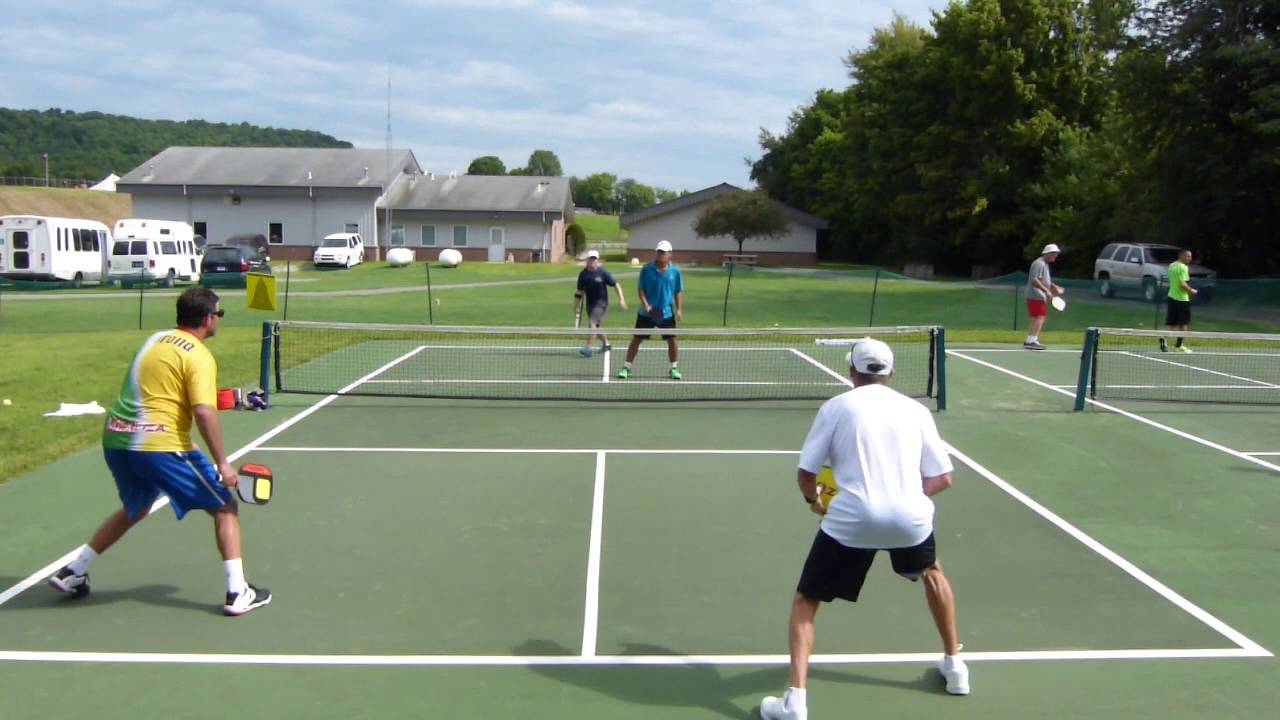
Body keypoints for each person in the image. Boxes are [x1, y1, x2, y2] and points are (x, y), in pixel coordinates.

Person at [760, 338, 966, 720]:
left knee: (807, 602)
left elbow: (807, 474)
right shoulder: (915, 410)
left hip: (851, 520)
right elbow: (944, 479)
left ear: (852, 371)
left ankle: (795, 703)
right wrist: (903, 497)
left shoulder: (836, 407)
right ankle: (956, 668)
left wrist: (815, 502)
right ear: (889, 373)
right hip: (910, 518)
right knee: (932, 572)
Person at [47, 287, 271, 617]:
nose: (219, 321)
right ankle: (238, 592)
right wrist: (223, 463)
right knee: (225, 507)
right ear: (208, 318)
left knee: (136, 507)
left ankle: (73, 571)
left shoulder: (155, 341)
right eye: (219, 315)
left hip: (117, 439)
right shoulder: (198, 355)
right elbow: (204, 411)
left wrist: (184, 441)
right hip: (158, 444)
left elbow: (157, 397)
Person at [617, 239, 684, 380]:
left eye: (664, 252)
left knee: (672, 340)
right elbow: (641, 289)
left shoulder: (675, 272)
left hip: (666, 313)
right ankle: (626, 367)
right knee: (636, 339)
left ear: (670, 254)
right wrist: (646, 305)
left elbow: (678, 291)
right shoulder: (647, 269)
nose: (661, 254)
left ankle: (674, 368)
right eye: (659, 252)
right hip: (646, 312)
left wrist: (679, 309)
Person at [574, 250, 627, 356]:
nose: (593, 261)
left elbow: (616, 284)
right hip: (590, 304)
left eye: (595, 259)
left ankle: (588, 348)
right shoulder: (583, 275)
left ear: (597, 260)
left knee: (592, 323)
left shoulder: (603, 273)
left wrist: (621, 299)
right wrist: (576, 306)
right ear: (587, 260)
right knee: (596, 327)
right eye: (591, 259)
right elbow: (580, 291)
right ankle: (606, 344)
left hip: (602, 304)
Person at [1024, 243, 1065, 350]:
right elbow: (1035, 280)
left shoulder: (1044, 264)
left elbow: (1045, 281)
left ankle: (1030, 340)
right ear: (1048, 253)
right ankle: (1033, 340)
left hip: (1036, 294)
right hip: (1036, 295)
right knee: (1041, 317)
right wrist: (1046, 290)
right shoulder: (1039, 263)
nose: (1055, 256)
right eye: (1054, 254)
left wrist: (1055, 287)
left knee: (1035, 317)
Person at [1160, 248, 1198, 353]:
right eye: (1187, 256)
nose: (1189, 258)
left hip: (1171, 297)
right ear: (1181, 256)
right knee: (1184, 324)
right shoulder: (1183, 267)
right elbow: (1182, 284)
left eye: (1190, 256)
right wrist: (1192, 291)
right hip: (1182, 300)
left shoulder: (1172, 265)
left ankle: (1164, 339)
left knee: (1171, 323)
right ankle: (1179, 346)